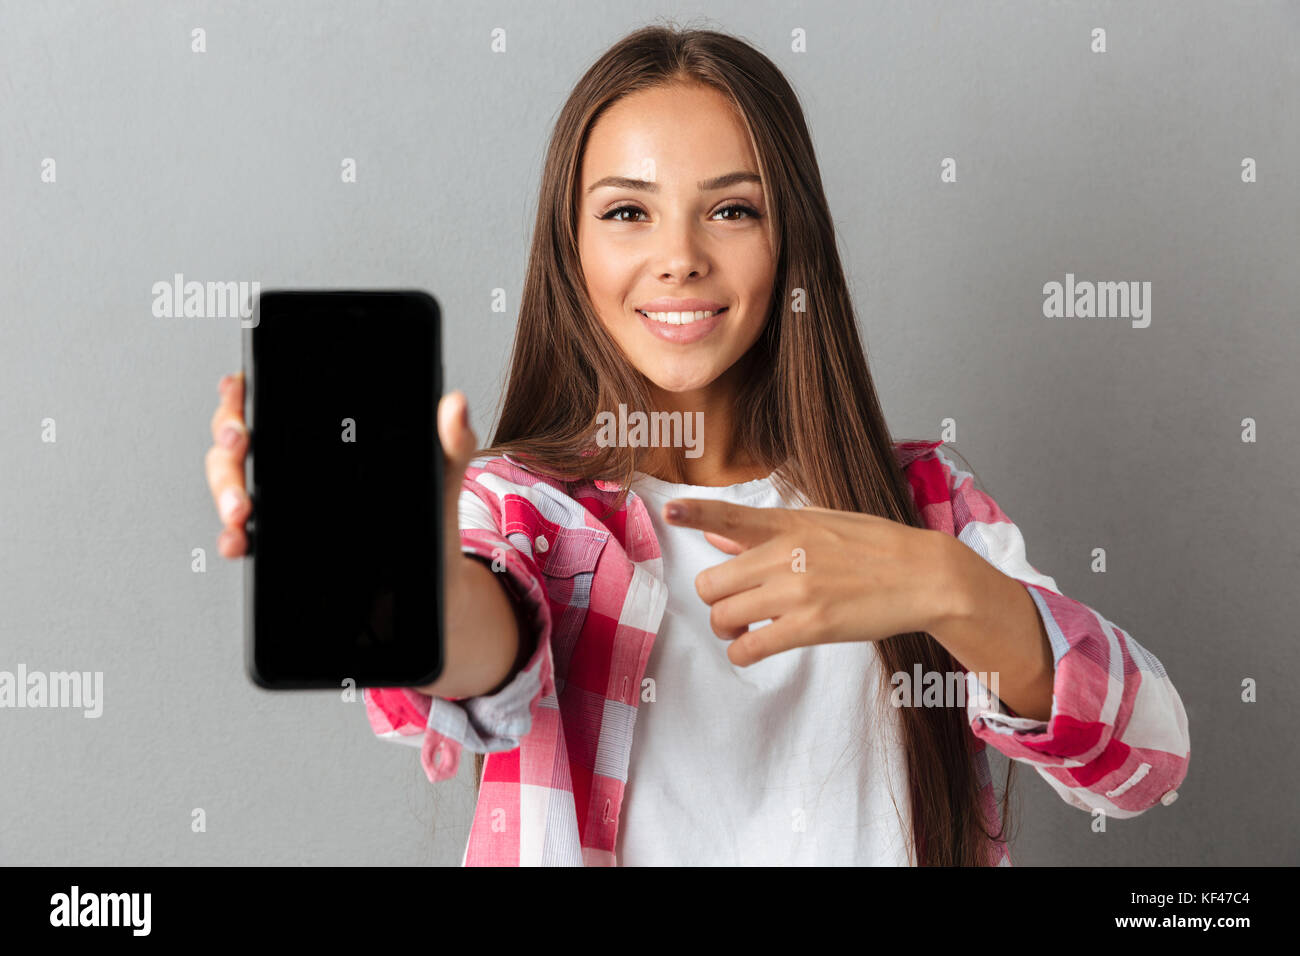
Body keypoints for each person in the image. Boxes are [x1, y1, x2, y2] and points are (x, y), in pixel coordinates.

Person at [204, 24, 1189, 866]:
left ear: (789, 240)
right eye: (627, 211)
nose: (679, 254)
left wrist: (951, 586)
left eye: (731, 208)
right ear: (571, 251)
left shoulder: (924, 500)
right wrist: (389, 561)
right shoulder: (523, 509)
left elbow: (1151, 757)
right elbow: (472, 651)